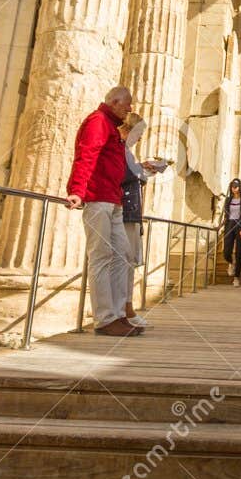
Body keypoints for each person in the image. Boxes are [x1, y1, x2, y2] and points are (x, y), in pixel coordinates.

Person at [67, 87, 140, 338]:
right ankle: (104, 318)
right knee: (100, 256)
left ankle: (119, 314)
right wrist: (77, 190)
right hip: (97, 198)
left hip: (113, 199)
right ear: (114, 102)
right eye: (127, 104)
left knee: (123, 255)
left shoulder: (111, 126)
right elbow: (86, 155)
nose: (130, 109)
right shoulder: (98, 121)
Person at [118, 113, 167, 327]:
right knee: (123, 261)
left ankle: (127, 309)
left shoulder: (126, 151)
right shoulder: (118, 148)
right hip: (124, 210)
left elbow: (128, 176)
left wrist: (143, 170)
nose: (140, 138)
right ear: (127, 130)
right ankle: (124, 310)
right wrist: (141, 168)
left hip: (131, 209)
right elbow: (120, 176)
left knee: (128, 261)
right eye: (138, 133)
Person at [222, 176, 241, 286]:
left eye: (236, 186)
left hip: (240, 225)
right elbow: (226, 215)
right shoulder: (228, 200)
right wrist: (221, 225)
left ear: (240, 187)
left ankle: (236, 277)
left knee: (239, 252)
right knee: (226, 250)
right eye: (232, 186)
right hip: (229, 224)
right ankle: (231, 263)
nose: (234, 188)